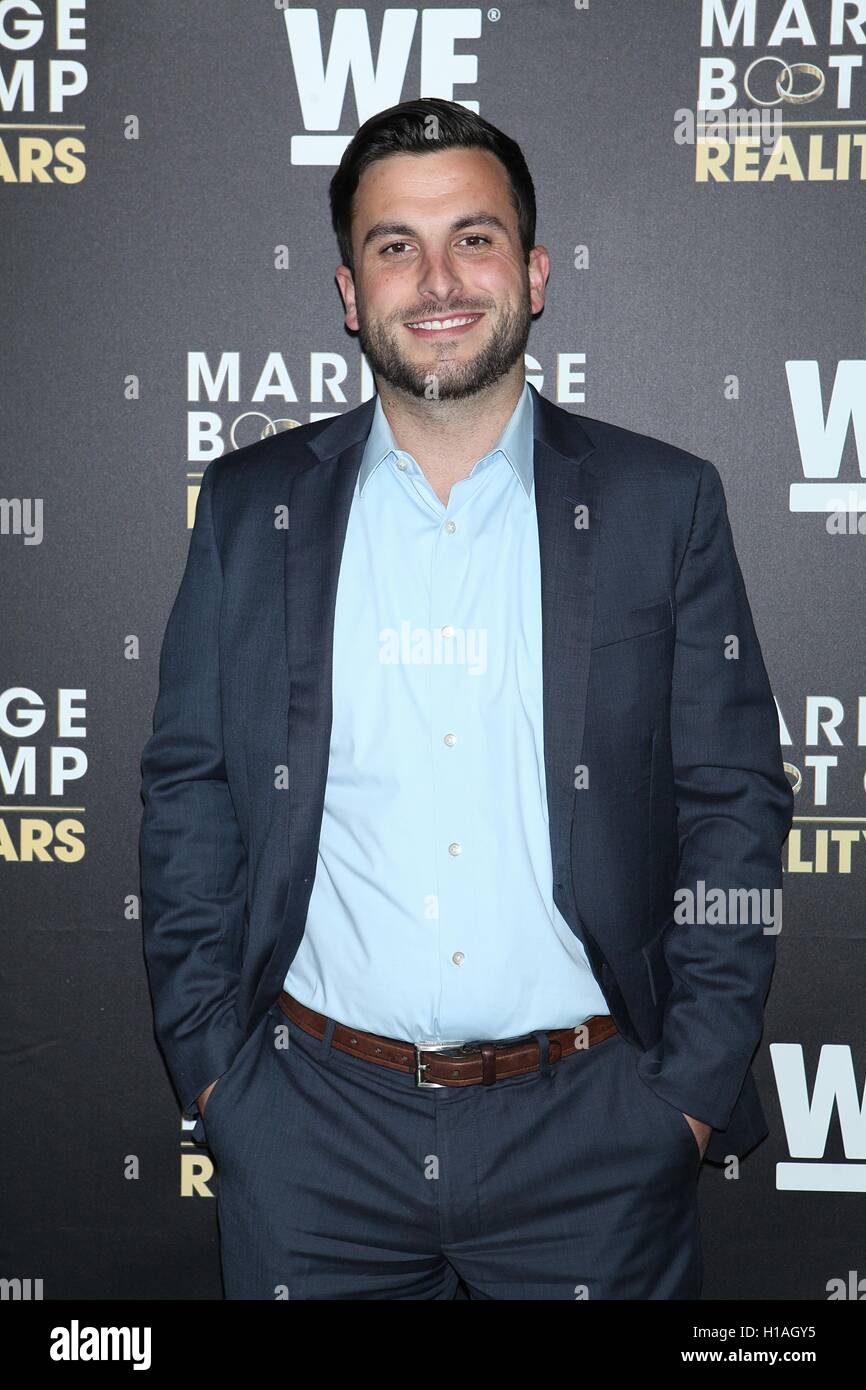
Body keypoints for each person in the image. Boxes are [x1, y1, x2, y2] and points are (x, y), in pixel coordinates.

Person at [139, 97, 793, 1300]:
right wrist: (220, 1081)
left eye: (473, 238)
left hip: (593, 1139)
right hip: (310, 1138)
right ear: (349, 292)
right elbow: (191, 795)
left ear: (533, 272)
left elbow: (733, 801)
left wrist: (687, 1098)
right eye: (395, 245)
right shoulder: (248, 508)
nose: (436, 278)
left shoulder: (663, 503)